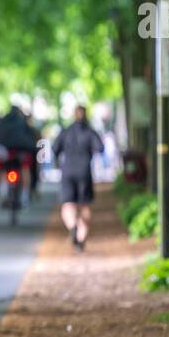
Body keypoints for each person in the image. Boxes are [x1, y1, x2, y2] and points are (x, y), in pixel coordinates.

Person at [52, 105, 105, 251]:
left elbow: (54, 149)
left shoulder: (65, 132)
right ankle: (81, 239)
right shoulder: (90, 132)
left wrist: (58, 162)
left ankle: (73, 226)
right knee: (85, 206)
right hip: (84, 172)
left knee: (68, 205)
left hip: (67, 171)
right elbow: (100, 148)